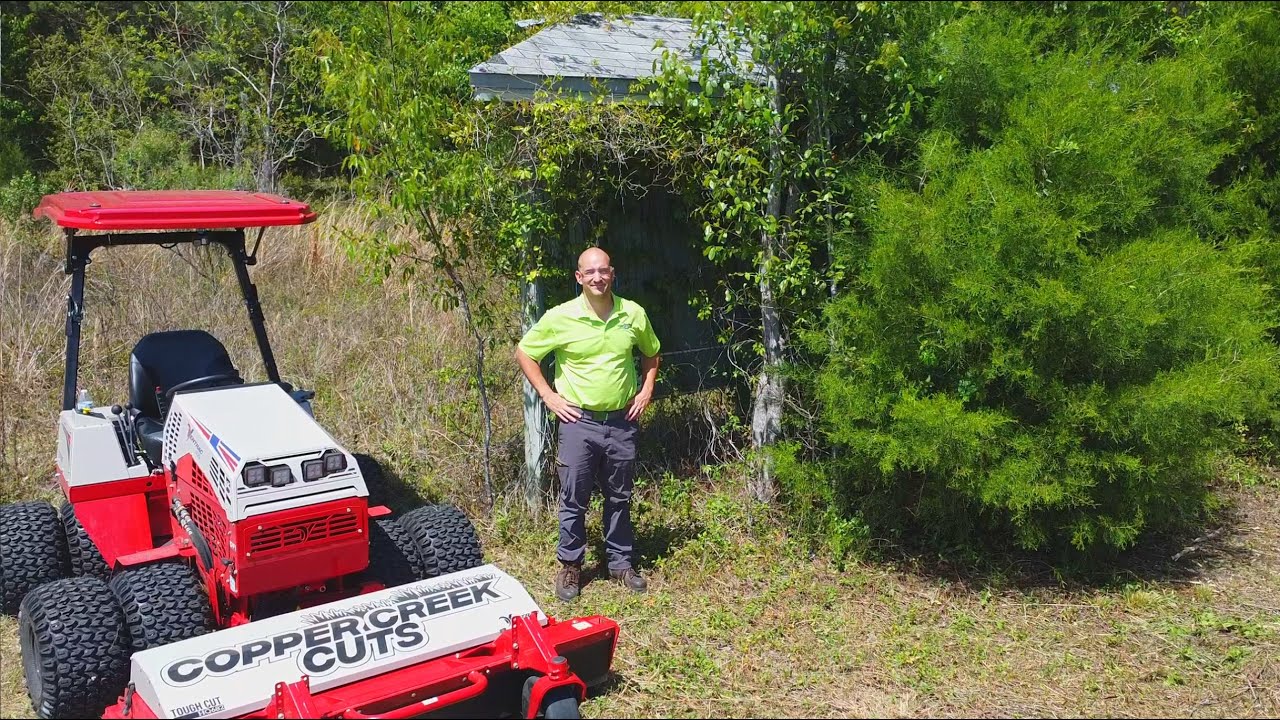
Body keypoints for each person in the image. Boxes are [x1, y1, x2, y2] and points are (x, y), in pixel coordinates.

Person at [515, 247, 661, 601]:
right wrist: (549, 396)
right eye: (589, 272)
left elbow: (651, 352)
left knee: (619, 496)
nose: (598, 277)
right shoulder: (560, 317)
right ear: (578, 278)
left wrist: (645, 391)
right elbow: (526, 352)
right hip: (578, 422)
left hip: (621, 421)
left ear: (613, 273)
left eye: (603, 271)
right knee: (573, 498)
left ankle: (620, 564)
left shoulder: (632, 313)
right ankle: (570, 566)